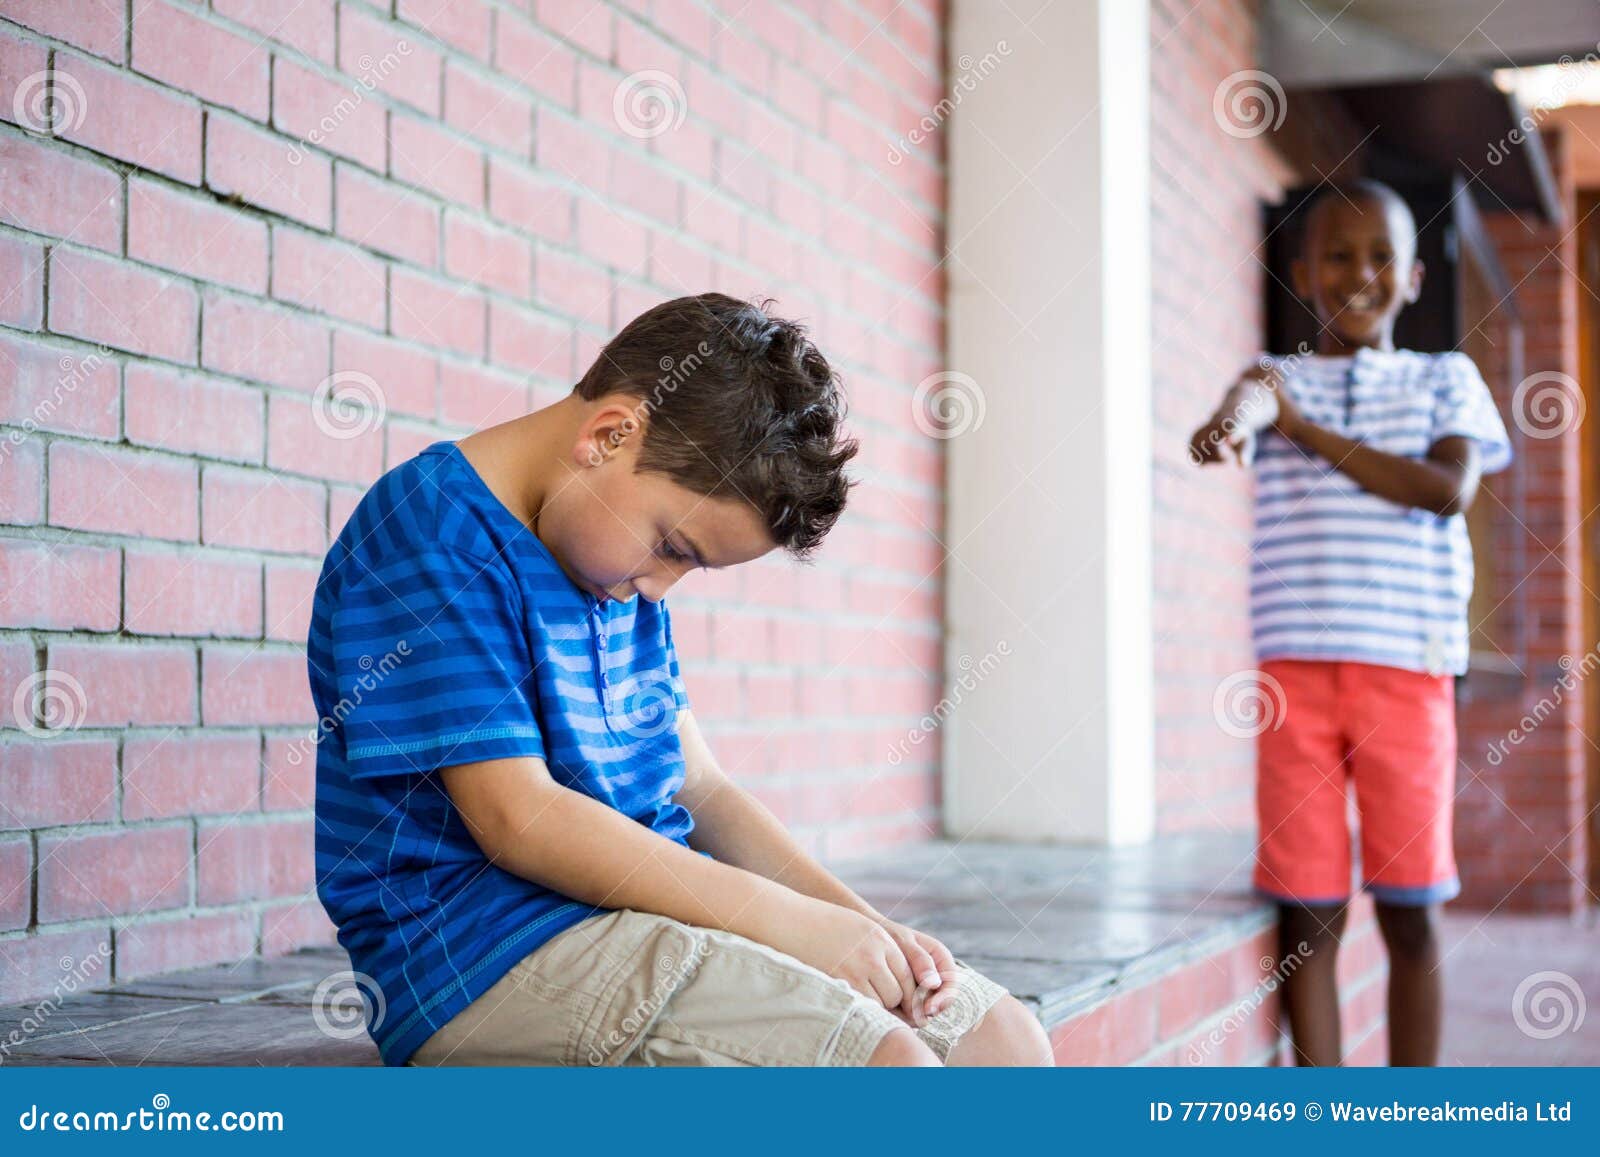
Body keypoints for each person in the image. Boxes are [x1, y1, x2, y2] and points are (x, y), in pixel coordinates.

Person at [309, 292, 1052, 1067]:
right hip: (483, 958)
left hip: (646, 915)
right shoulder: (432, 532)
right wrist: (790, 925)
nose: (661, 588)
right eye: (674, 546)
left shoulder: (610, 561)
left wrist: (864, 929)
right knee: (889, 1068)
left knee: (1002, 1040)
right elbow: (518, 817)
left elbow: (700, 786)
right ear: (612, 433)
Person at [1188, 180, 1513, 1065]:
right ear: (1305, 271)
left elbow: (1444, 490)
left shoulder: (1447, 378)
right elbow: (1250, 407)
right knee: (1310, 914)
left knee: (1410, 911)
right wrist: (1235, 423)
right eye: (1338, 254)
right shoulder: (1277, 377)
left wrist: (1308, 432)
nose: (1358, 273)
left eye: (1380, 257)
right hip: (1295, 678)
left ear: (1412, 278)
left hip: (1406, 674)